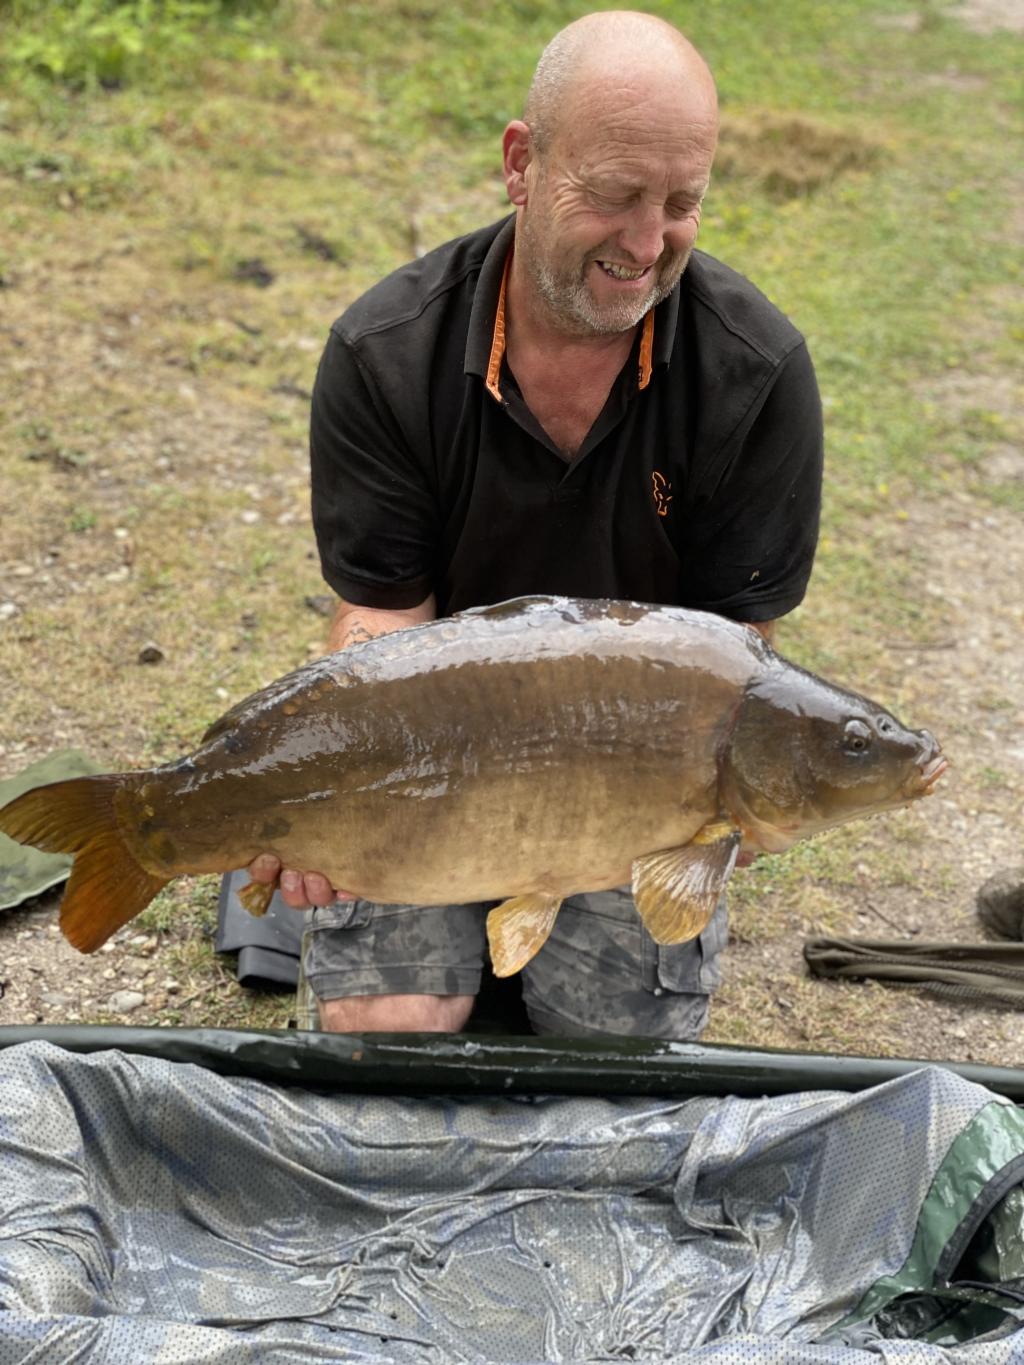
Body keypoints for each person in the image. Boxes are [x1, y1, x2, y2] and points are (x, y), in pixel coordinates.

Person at [244, 10, 823, 1037]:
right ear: (522, 163)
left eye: (681, 203)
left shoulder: (756, 376)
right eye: (613, 196)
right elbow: (379, 627)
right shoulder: (385, 352)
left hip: (635, 769)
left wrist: (749, 810)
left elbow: (739, 669)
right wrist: (306, 784)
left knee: (607, 1053)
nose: (648, 245)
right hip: (424, 746)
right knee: (396, 1024)